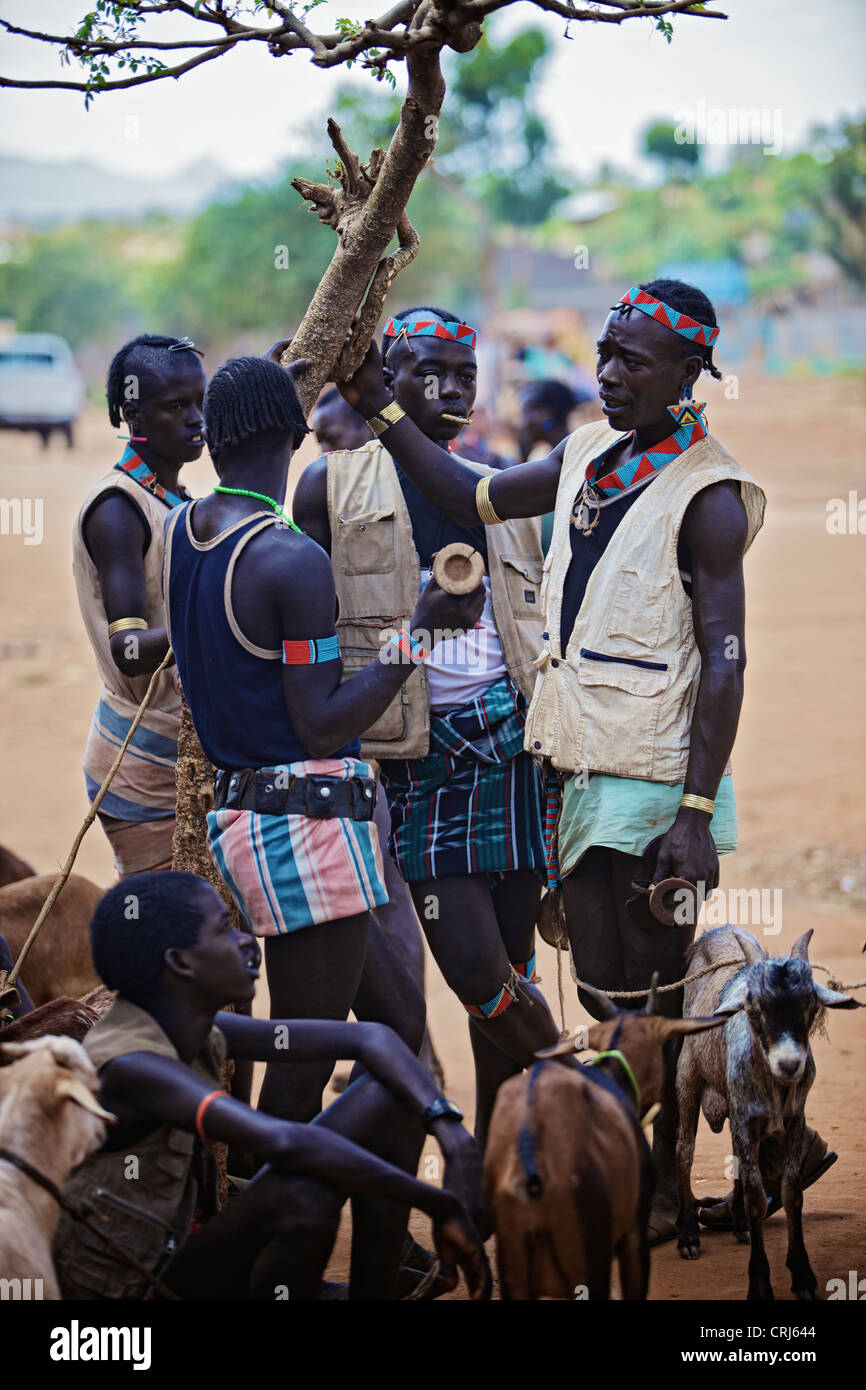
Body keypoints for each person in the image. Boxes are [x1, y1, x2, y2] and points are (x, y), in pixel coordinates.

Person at [335, 279, 833, 1240]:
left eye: (632, 362)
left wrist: (694, 814)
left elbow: (726, 667)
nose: (606, 374)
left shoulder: (712, 499)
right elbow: (469, 493)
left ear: (690, 374)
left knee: (645, 994)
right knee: (611, 991)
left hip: (658, 788)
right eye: (605, 352)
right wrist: (383, 409)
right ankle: (694, 1173)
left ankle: (661, 1194)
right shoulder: (589, 454)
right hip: (580, 770)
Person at [164, 354, 484, 1123]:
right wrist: (419, 636)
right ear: (297, 432)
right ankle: (269, 1223)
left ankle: (378, 1241)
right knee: (301, 1061)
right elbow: (324, 722)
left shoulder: (185, 529)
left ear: (214, 434)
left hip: (255, 818)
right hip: (299, 826)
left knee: (397, 1026)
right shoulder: (289, 561)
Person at [293, 306, 559, 1147]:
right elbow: (307, 629)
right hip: (412, 756)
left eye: (463, 376)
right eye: (426, 373)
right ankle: (595, 1091)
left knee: (510, 971)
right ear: (384, 382)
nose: (450, 389)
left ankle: (500, 1160)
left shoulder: (498, 483)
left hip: (511, 745)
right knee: (477, 975)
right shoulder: (328, 487)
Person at [51, 872, 490, 1301]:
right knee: (300, 1190)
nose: (247, 942)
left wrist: (451, 1133)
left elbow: (371, 1037)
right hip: (134, 1284)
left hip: (179, 1253)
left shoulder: (188, 1023)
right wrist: (436, 1201)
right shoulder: (133, 1064)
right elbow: (285, 1142)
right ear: (180, 962)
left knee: (389, 1091)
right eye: (225, 930)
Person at [310, 383, 444, 1089]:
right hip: (349, 727)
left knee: (392, 896)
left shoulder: (413, 500)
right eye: (322, 443)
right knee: (376, 894)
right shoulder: (318, 499)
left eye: (345, 441)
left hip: (395, 730)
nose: (336, 458)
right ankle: (404, 1053)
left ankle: (404, 1056)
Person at [73, 334, 207, 876]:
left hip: (168, 749)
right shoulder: (118, 508)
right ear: (134, 415)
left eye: (202, 402)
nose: (197, 419)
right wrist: (213, 624)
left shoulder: (171, 497)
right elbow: (129, 650)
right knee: (174, 933)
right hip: (141, 756)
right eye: (177, 407)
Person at [514, 379, 578, 553]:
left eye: (525, 412)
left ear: (544, 415)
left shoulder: (578, 459)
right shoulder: (540, 457)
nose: (520, 423)